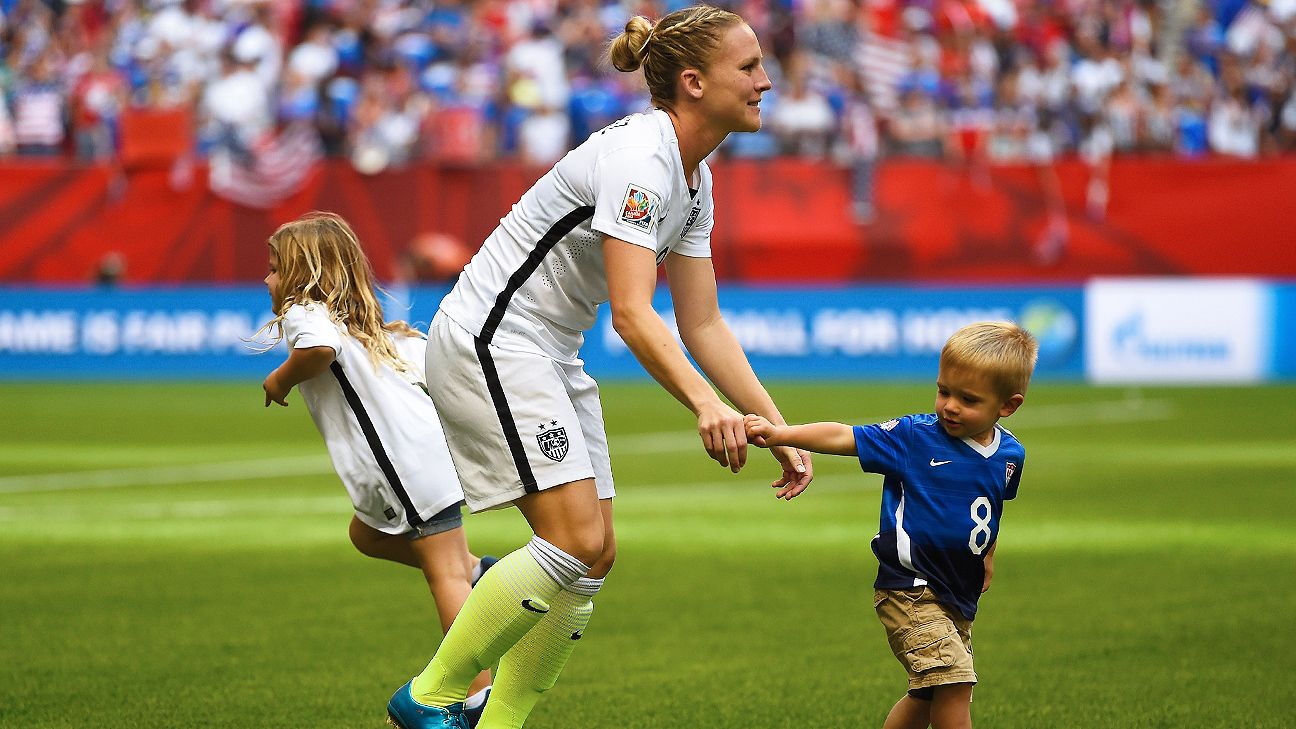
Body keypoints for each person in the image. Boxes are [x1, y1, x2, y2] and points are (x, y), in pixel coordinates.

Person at [385, 6, 814, 729]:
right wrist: (707, 405)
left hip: (547, 350)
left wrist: (777, 426)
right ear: (693, 82)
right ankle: (428, 697)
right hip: (495, 339)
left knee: (595, 555)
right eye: (748, 67)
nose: (765, 81)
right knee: (574, 541)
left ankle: (498, 724)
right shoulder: (642, 158)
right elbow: (632, 313)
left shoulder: (693, 177)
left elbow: (703, 323)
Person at [255, 212, 494, 725]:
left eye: (274, 268)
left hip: (402, 467)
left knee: (444, 576)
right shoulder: (375, 332)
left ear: (301, 274)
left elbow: (318, 350)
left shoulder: (304, 312)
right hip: (425, 460)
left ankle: (477, 701)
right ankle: (482, 574)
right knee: (366, 534)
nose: (267, 279)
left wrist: (281, 379)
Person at [744, 321, 1038, 729]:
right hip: (911, 588)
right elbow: (845, 436)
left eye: (968, 399)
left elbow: (991, 507)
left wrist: (987, 555)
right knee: (955, 684)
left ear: (1008, 406)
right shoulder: (914, 436)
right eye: (944, 391)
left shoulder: (1010, 455)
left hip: (958, 592)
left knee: (928, 693)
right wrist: (781, 434)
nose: (950, 406)